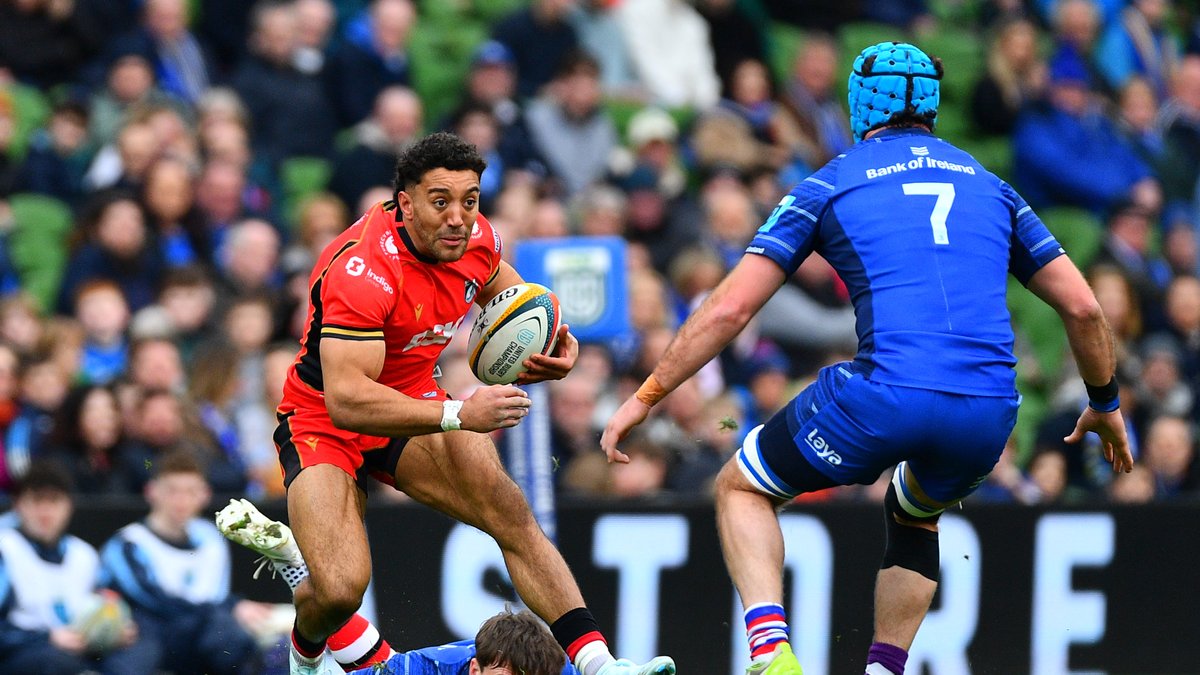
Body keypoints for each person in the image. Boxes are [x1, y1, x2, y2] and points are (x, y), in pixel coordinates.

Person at [601, 42, 1134, 675]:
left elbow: (728, 311)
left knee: (741, 488)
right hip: (990, 411)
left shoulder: (831, 181)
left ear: (860, 102)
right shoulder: (993, 187)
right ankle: (884, 668)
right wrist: (1105, 403)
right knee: (916, 507)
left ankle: (772, 657)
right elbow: (1085, 310)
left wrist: (647, 395)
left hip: (888, 393)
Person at [242, 132, 674, 675]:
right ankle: (305, 661)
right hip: (325, 419)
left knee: (510, 511)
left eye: (469, 200)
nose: (458, 217)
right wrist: (459, 414)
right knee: (338, 590)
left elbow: (516, 299)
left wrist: (555, 341)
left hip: (415, 401)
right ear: (406, 202)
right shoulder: (361, 268)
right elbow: (348, 400)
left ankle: (599, 665)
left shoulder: (477, 240)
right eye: (440, 200)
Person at [100, 451, 267, 674]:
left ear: (205, 495)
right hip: (149, 634)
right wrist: (228, 608)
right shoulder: (127, 543)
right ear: (151, 492)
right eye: (172, 491)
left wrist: (231, 607)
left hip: (199, 634)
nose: (181, 501)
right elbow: (153, 600)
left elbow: (212, 596)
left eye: (191, 491)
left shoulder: (211, 538)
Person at [0, 462, 134, 674]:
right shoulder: (6, 549)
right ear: (18, 505)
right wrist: (46, 638)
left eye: (54, 501)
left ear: (68, 506)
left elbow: (104, 604)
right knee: (55, 662)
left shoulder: (84, 554)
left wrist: (116, 629)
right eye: (36, 500)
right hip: (25, 655)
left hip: (79, 651)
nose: (45, 511)